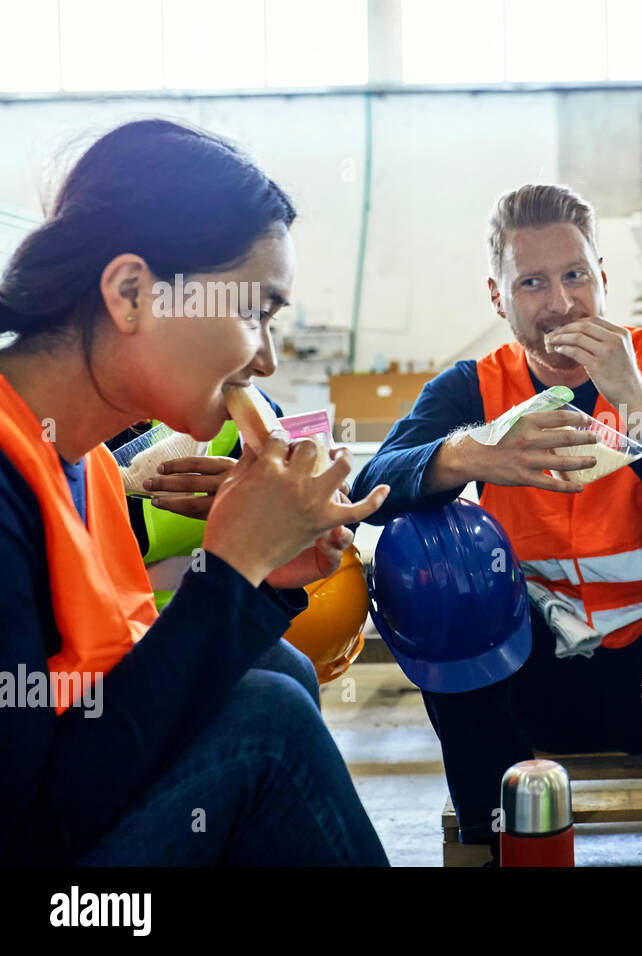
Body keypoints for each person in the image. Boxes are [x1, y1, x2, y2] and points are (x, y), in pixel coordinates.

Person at [0, 119, 391, 865]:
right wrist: (229, 573)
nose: (267, 360)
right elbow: (28, 828)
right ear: (131, 293)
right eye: (254, 313)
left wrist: (256, 576)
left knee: (281, 668)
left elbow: (118, 691)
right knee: (267, 723)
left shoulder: (90, 468)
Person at [351, 184, 642, 866]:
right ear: (499, 298)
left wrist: (638, 407)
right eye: (534, 282)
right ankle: (505, 829)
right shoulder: (473, 386)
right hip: (532, 682)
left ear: (603, 279)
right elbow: (373, 485)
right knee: (422, 544)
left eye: (576, 275)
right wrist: (473, 453)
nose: (562, 302)